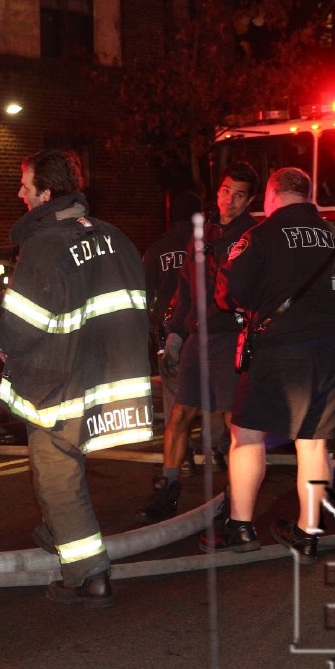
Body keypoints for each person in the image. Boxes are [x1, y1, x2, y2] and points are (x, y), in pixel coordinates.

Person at [0, 149, 153, 606]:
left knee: (57, 476)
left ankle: (89, 576)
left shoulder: (44, 247)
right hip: (110, 381)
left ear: (46, 193)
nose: (19, 193)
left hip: (60, 386)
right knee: (68, 475)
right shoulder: (116, 238)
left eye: (25, 185)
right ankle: (59, 532)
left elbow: (21, 330)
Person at [216, 166, 335, 562]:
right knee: (313, 442)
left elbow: (230, 293)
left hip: (278, 349)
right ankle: (308, 534)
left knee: (247, 435)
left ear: (272, 195)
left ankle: (241, 527)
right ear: (308, 195)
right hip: (330, 349)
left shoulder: (259, 236)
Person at [136, 163, 259, 524]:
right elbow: (185, 288)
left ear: (250, 199)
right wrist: (175, 335)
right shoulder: (202, 233)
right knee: (179, 416)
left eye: (239, 194)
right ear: (217, 191)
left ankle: (237, 499)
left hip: (232, 337)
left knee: (234, 423)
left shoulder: (254, 234)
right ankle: (168, 490)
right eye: (225, 191)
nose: (230, 200)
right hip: (196, 338)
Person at [141, 189, 203, 465]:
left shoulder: (158, 249)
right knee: (211, 394)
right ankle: (218, 449)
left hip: (171, 333)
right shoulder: (209, 243)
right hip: (207, 330)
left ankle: (183, 454)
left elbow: (145, 293)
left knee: (174, 396)